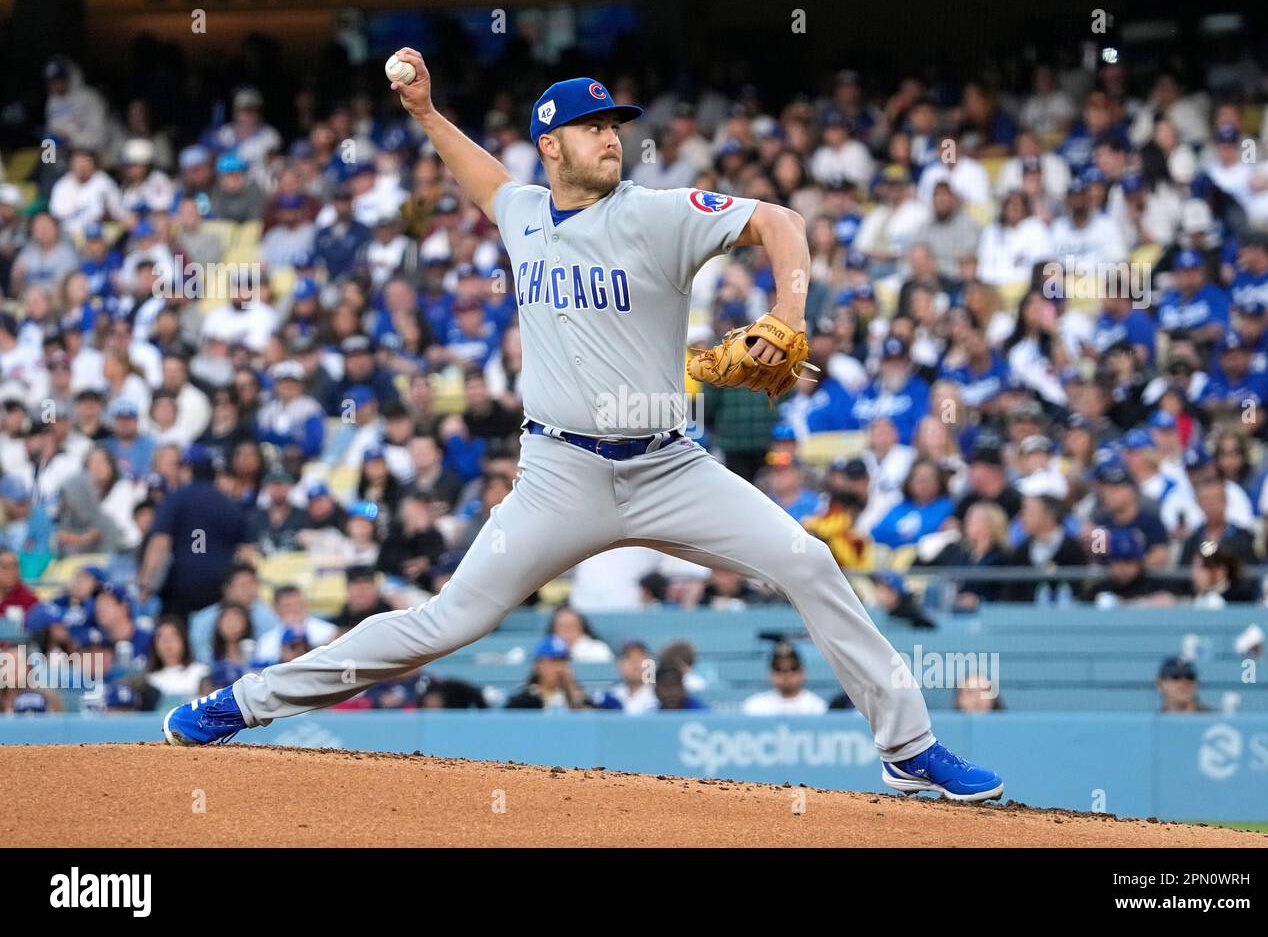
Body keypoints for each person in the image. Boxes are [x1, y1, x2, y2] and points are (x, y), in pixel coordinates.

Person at [163, 57, 1002, 803]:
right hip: (557, 475)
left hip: (669, 468)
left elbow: (780, 220)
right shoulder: (524, 211)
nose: (611, 138)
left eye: (615, 125)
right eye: (592, 127)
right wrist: (425, 114)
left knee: (808, 561)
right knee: (445, 624)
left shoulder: (658, 214)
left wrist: (788, 309)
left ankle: (908, 748)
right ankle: (241, 703)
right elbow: (485, 181)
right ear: (552, 145)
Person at [139, 444, 258, 620]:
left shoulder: (176, 499)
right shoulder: (230, 504)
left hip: (180, 587)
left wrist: (145, 584)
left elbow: (160, 544)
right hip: (220, 586)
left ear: (188, 470)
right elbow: (248, 552)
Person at [741, 642, 829, 715]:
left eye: (793, 668)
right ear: (770, 673)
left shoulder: (817, 706)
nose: (787, 674)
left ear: (803, 672)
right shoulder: (755, 706)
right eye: (778, 669)